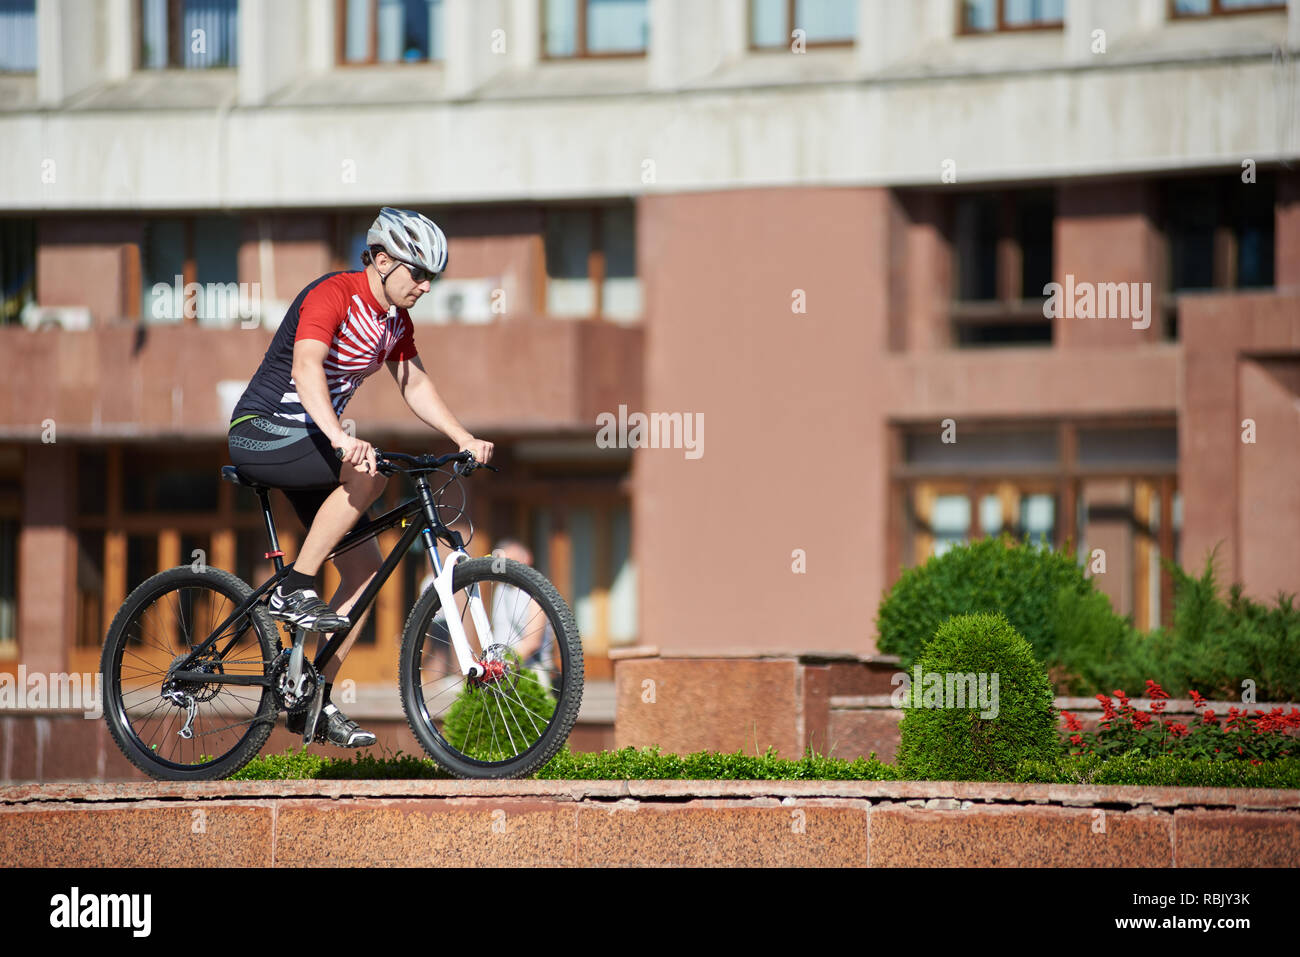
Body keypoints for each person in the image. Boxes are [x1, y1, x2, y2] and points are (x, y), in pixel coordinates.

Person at [227, 207, 493, 747]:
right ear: (382, 260)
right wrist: (341, 437)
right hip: (262, 431)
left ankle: (310, 696)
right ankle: (295, 589)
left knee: (367, 570)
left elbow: (415, 386)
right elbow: (306, 369)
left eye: (431, 278)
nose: (424, 285)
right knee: (368, 474)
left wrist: (462, 438)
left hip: (313, 445)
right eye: (417, 273)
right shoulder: (335, 293)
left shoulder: (395, 322)